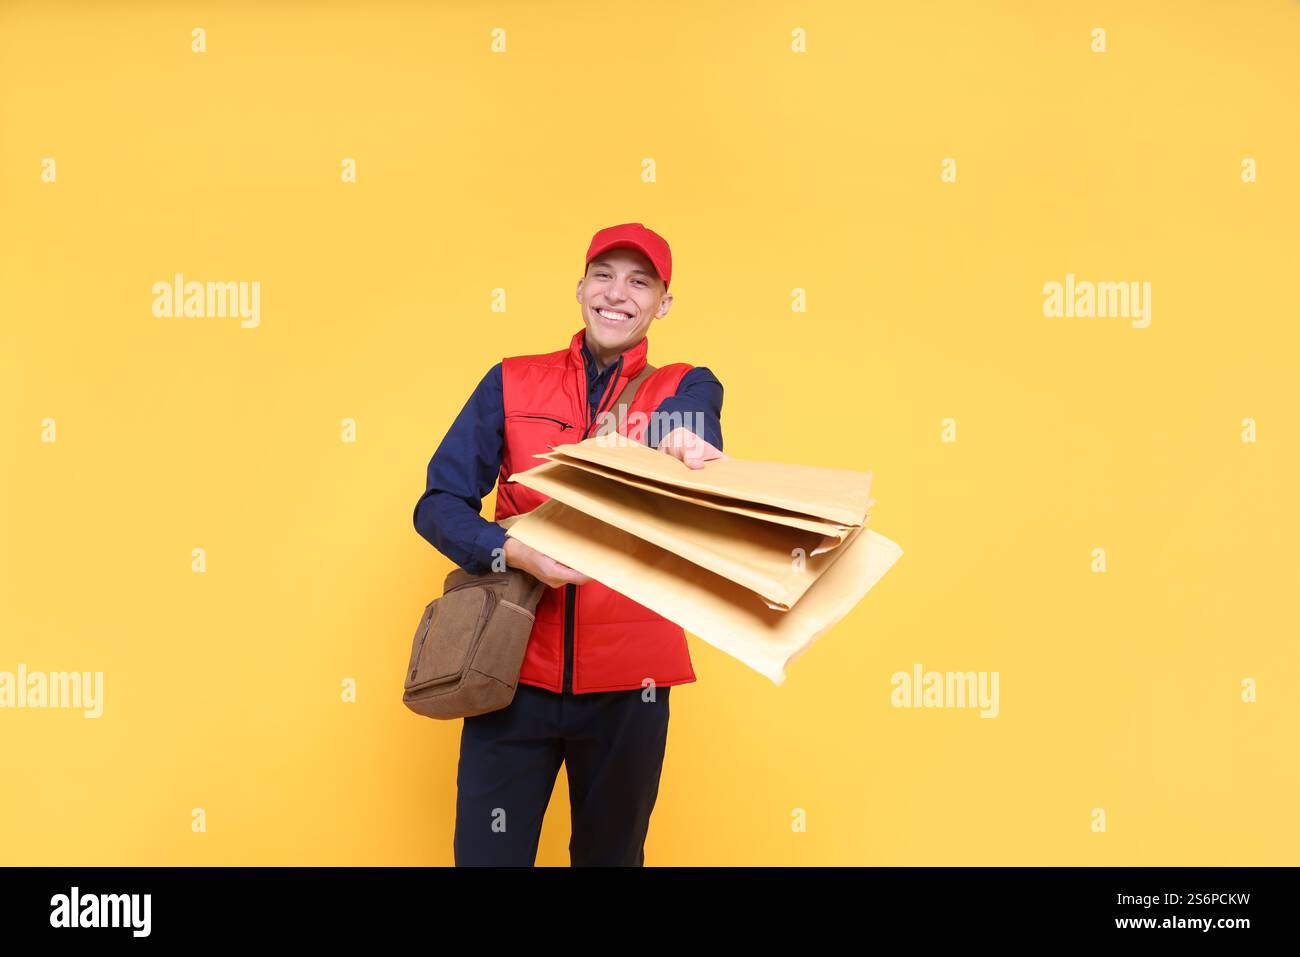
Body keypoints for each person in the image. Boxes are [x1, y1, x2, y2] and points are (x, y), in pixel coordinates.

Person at [413, 222, 727, 866]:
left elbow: (692, 423)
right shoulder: (510, 381)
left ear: (662, 304)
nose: (619, 293)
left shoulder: (686, 385)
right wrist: (511, 552)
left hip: (630, 685)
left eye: (640, 281)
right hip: (509, 669)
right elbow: (438, 504)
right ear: (580, 288)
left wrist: (685, 444)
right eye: (604, 275)